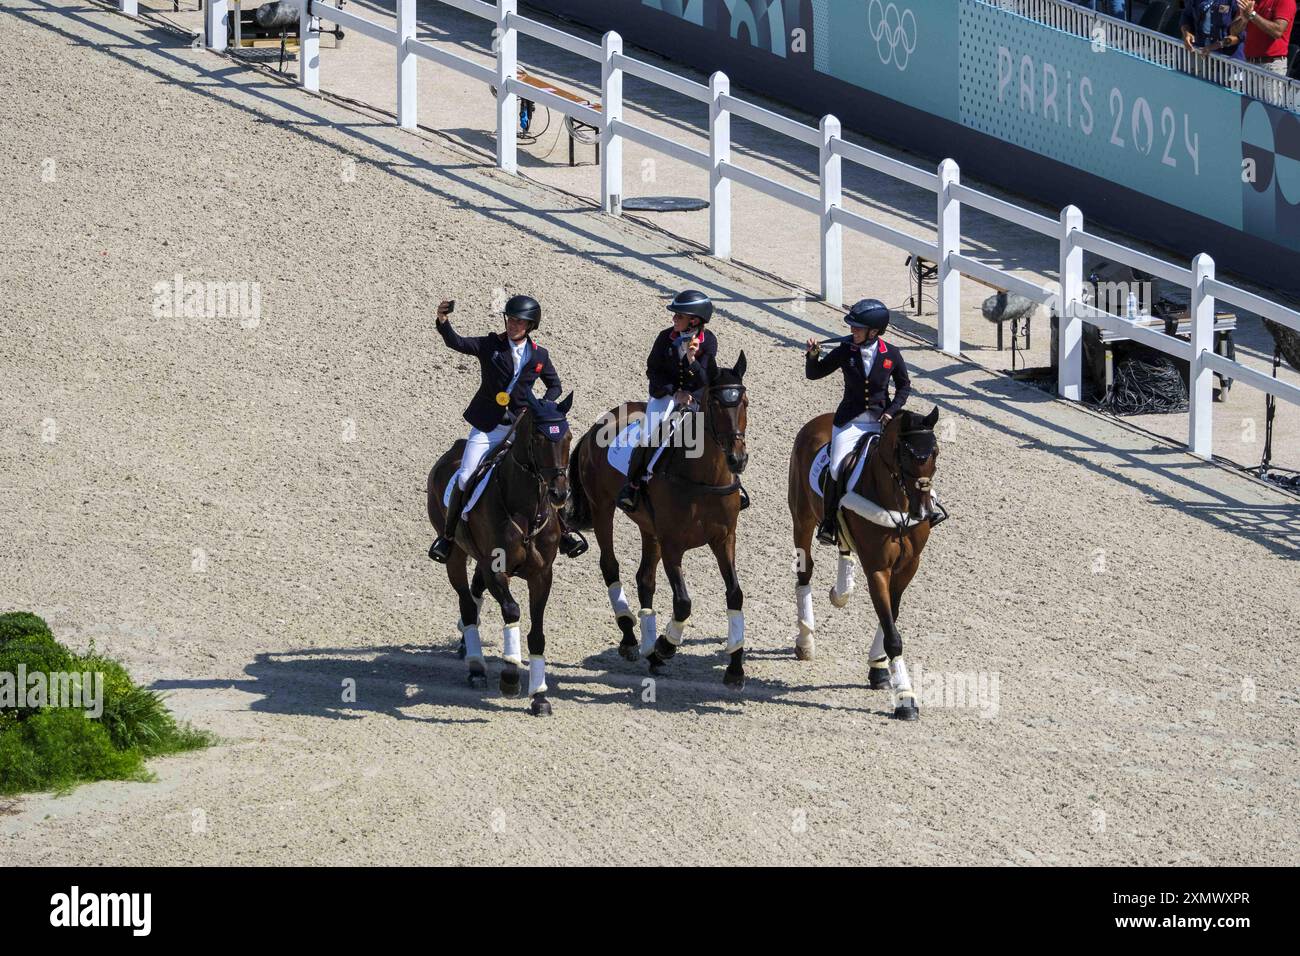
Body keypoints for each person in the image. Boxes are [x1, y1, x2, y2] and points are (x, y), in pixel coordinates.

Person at [429, 294, 582, 562]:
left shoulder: (539, 355)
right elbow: (458, 342)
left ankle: (565, 533)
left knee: (543, 475)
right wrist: (443, 321)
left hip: (518, 428)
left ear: (530, 325)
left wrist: (540, 406)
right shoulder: (490, 345)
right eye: (510, 319)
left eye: (519, 322)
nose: (512, 325)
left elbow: (555, 385)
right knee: (465, 476)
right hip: (487, 427)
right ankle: (448, 536)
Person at [804, 298, 912, 546]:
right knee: (835, 467)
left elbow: (904, 386)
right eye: (852, 327)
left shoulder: (891, 354)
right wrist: (812, 355)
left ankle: (919, 509)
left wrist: (892, 411)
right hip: (849, 423)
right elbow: (814, 374)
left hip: (880, 421)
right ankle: (829, 523)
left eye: (857, 328)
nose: (852, 331)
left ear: (874, 331)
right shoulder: (845, 350)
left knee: (905, 459)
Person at [616, 290, 719, 513]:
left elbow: (705, 378)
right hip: (665, 395)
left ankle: (730, 488)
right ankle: (632, 486)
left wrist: (692, 359)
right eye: (675, 316)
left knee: (720, 431)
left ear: (694, 320)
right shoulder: (665, 337)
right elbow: (653, 370)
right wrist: (675, 394)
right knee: (649, 434)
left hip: (696, 399)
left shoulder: (708, 341)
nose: (674, 319)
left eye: (679, 316)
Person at [1241, 0, 1295, 76]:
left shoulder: (1285, 1)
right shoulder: (1251, 2)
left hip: (1270, 65)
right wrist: (1243, 20)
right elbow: (1233, 32)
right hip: (1249, 63)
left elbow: (1277, 31)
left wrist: (1251, 14)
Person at [1181, 0, 1248, 60]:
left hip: (1229, 61)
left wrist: (1219, 44)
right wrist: (1186, 32)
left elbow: (1241, 35)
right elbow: (1187, 15)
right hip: (1199, 54)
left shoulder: (1236, 2)